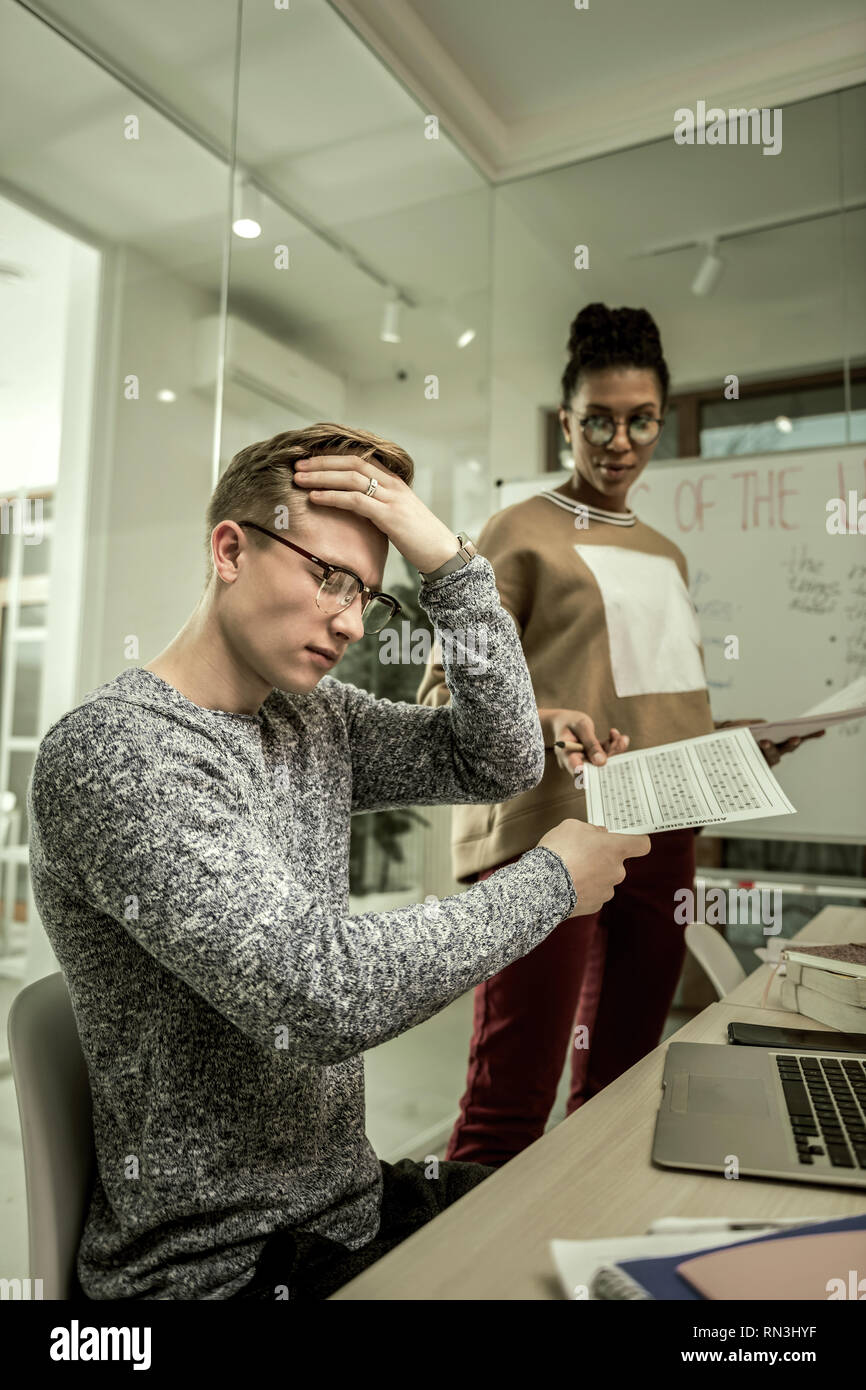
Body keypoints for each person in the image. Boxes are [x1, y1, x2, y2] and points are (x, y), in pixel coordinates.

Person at [26, 422, 649, 1301]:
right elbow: (319, 996)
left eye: (368, 595)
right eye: (329, 578)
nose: (352, 621)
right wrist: (550, 883)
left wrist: (451, 567)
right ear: (231, 549)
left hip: (348, 1210)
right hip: (222, 1270)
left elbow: (498, 759)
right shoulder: (118, 756)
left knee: (616, 1253)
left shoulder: (310, 719)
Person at [417, 302, 817, 1169]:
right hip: (548, 833)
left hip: (662, 836)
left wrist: (740, 738)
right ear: (568, 421)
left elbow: (658, 707)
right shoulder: (518, 531)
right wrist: (542, 717)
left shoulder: (667, 554)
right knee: (509, 1100)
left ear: (659, 423)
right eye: (597, 419)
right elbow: (444, 691)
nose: (618, 441)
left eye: (639, 420)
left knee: (629, 1087)